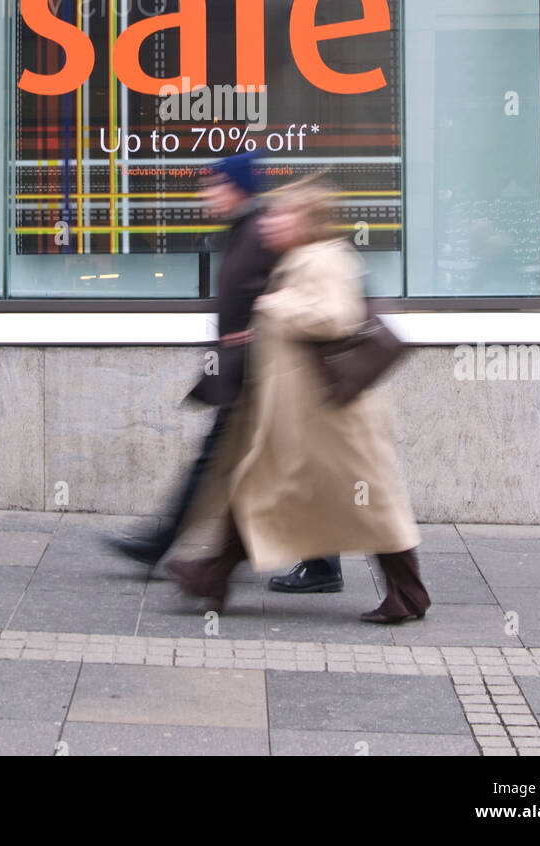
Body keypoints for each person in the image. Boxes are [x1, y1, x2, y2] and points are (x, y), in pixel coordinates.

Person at [166, 177, 431, 623]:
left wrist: (277, 306)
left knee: (373, 508)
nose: (271, 222)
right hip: (303, 419)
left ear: (306, 221)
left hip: (332, 421)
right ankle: (211, 575)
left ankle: (409, 595)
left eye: (283, 215)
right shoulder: (301, 258)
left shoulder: (323, 258)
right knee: (261, 492)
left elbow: (334, 317)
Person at [106, 148, 276, 569]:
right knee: (256, 467)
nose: (207, 194)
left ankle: (160, 545)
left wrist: (255, 331)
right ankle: (312, 560)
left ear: (237, 187)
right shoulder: (245, 229)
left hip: (254, 376)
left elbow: (285, 293)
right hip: (243, 374)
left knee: (220, 465)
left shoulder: (259, 233)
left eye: (214, 185)